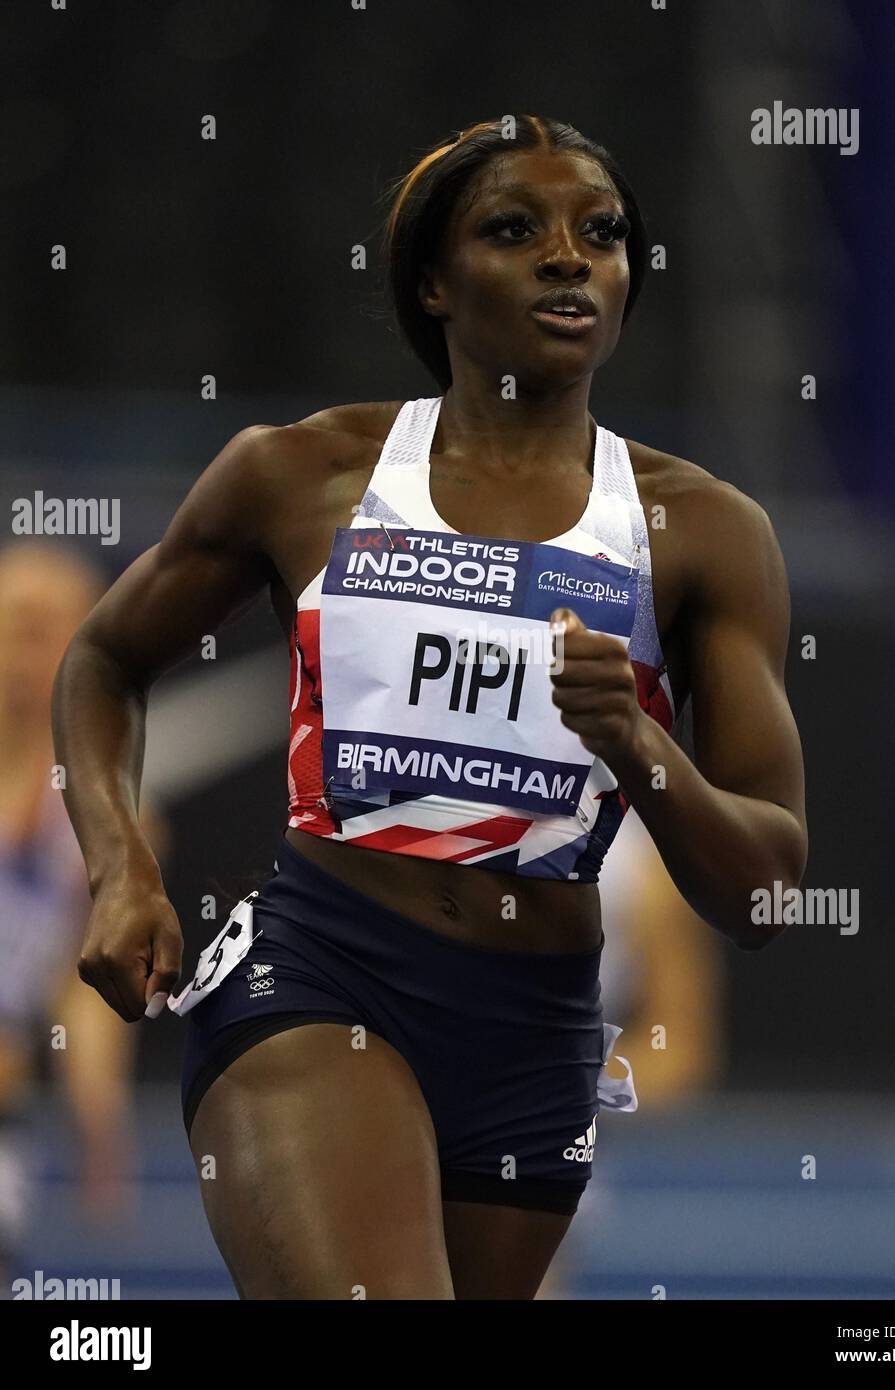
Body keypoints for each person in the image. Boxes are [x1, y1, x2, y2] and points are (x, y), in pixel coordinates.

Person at [51, 114, 807, 1300]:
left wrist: (639, 741)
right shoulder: (303, 475)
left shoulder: (702, 529)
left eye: (600, 234)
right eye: (517, 231)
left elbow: (765, 891)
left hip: (535, 1031)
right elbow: (102, 659)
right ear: (433, 285)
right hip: (323, 977)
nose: (571, 257)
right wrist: (119, 865)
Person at [0, 544, 137, 1286]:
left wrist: (99, 1116)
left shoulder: (109, 811)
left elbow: (81, 981)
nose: (35, 652)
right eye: (21, 626)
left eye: (59, 630)